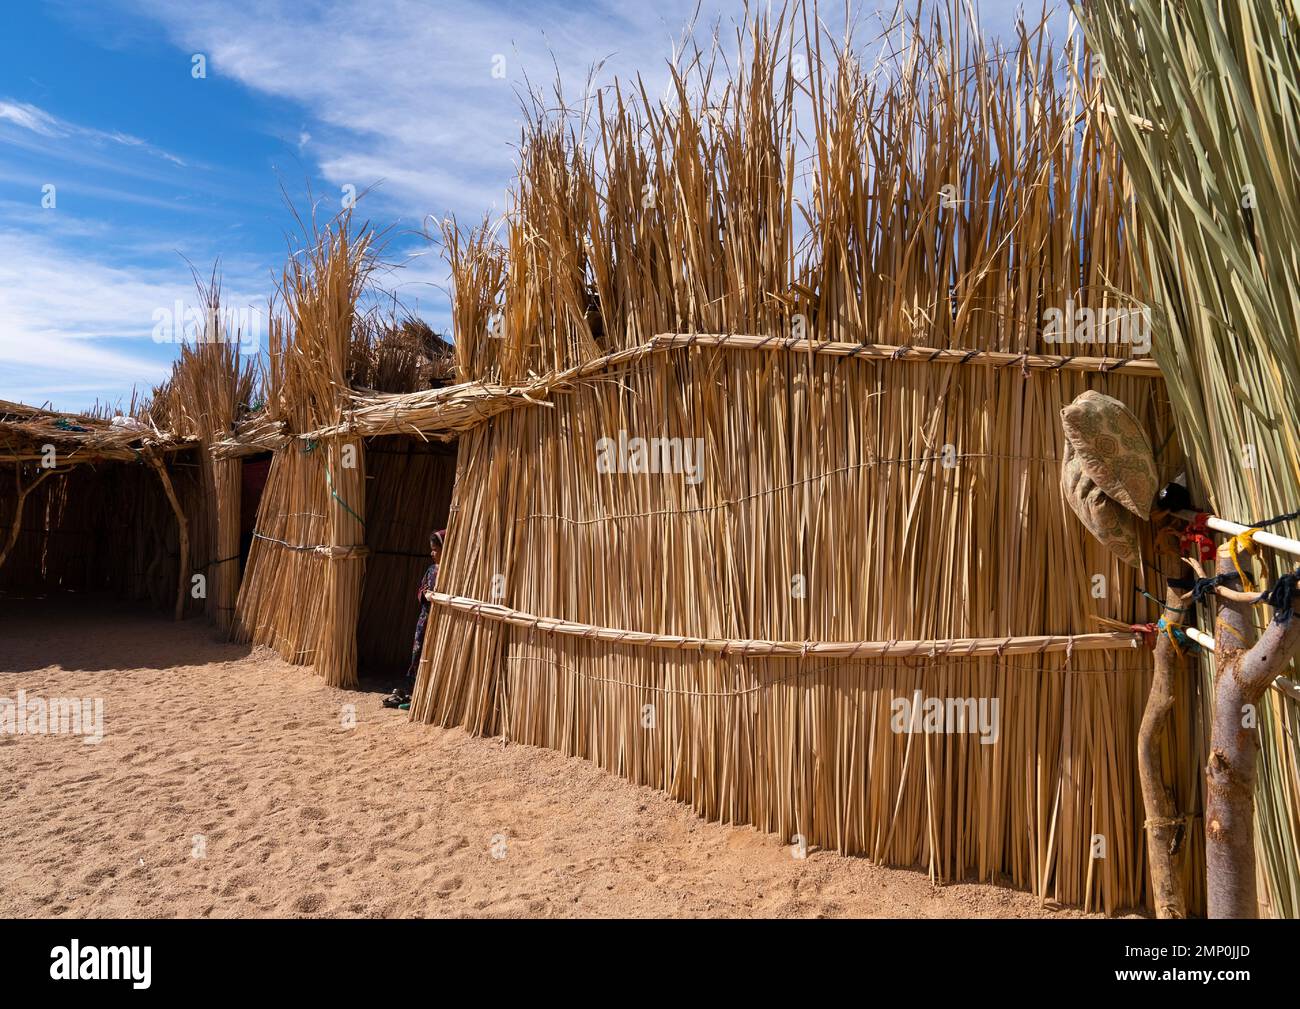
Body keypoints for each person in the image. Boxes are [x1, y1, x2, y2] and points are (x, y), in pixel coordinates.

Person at [384, 528, 444, 709]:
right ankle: (417, 690)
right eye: (431, 549)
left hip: (443, 622)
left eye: (435, 549)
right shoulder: (431, 570)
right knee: (420, 652)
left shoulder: (453, 573)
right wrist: (425, 594)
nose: (432, 553)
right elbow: (420, 590)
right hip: (425, 619)